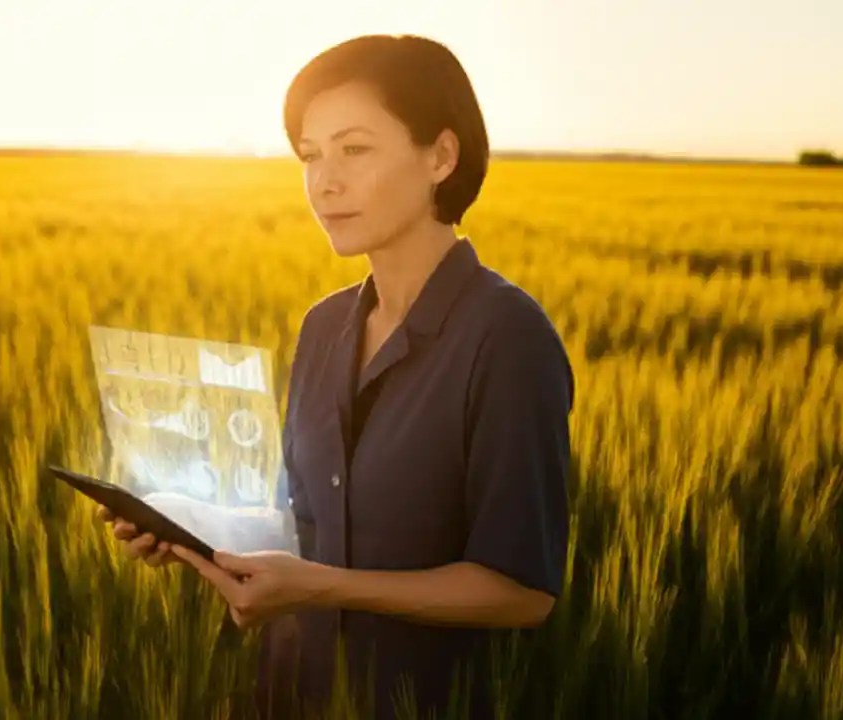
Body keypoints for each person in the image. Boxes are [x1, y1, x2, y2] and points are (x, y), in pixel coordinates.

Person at [98, 33, 574, 720]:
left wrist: (321, 587)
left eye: (354, 150)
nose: (324, 182)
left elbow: (522, 592)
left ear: (441, 156)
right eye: (310, 155)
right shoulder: (323, 327)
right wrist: (190, 524)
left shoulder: (506, 336)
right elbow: (307, 521)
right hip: (292, 693)